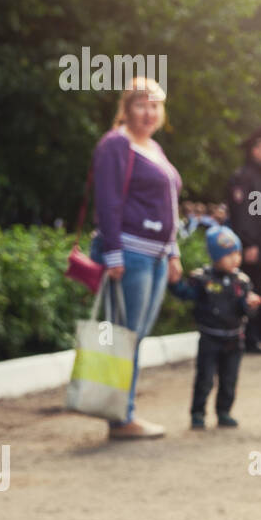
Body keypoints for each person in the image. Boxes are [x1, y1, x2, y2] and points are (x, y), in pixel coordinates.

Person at [88, 76, 184, 440]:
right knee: (125, 336)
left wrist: (173, 252)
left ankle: (121, 412)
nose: (149, 113)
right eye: (141, 105)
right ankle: (120, 417)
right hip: (129, 253)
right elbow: (109, 201)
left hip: (156, 255)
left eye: (155, 106)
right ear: (126, 109)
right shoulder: (116, 145)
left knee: (135, 336)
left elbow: (168, 205)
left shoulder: (153, 148)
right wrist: (113, 255)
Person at [168, 225, 261, 429]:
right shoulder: (203, 279)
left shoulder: (242, 281)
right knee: (205, 378)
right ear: (215, 256)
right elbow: (186, 294)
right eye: (228, 254)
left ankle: (224, 412)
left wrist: (250, 305)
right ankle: (198, 413)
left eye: (237, 253)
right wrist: (174, 284)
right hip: (210, 337)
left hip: (234, 338)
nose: (234, 258)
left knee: (229, 379)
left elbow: (245, 311)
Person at [228, 122, 261, 353]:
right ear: (256, 149)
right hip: (255, 247)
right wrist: (249, 242)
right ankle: (252, 338)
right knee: (254, 289)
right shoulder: (249, 178)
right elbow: (250, 214)